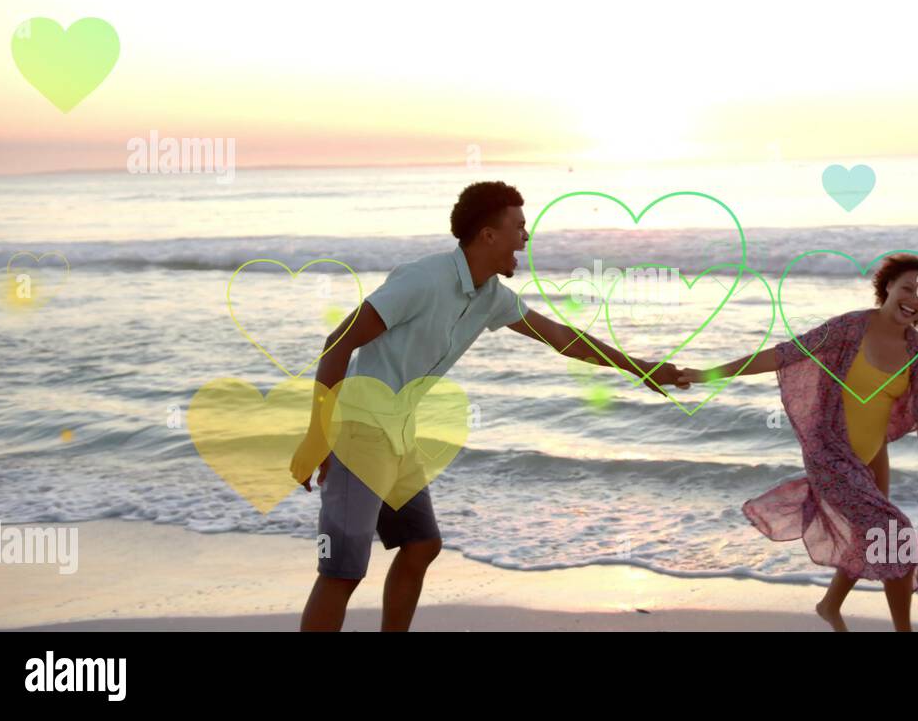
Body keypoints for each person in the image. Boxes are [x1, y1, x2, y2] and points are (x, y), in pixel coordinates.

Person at [290, 181, 691, 631]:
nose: (526, 238)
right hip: (358, 430)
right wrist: (318, 437)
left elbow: (564, 340)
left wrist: (641, 368)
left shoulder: (489, 298)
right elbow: (337, 343)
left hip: (397, 434)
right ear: (488, 235)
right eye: (520, 227)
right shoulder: (423, 279)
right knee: (342, 570)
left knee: (422, 544)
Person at [682, 254, 918, 631]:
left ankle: (830, 605)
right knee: (897, 536)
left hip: (874, 456)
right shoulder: (850, 328)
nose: (914, 298)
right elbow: (783, 354)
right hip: (831, 452)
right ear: (888, 286)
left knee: (869, 533)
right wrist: (706, 374)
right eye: (907, 286)